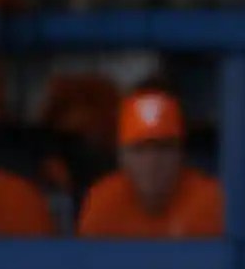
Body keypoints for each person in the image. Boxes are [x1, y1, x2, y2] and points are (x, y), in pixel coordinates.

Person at [77, 90, 223, 238]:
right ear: (121, 156)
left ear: (181, 153)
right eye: (139, 150)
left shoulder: (213, 202)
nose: (152, 162)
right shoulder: (101, 204)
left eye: (163, 148)